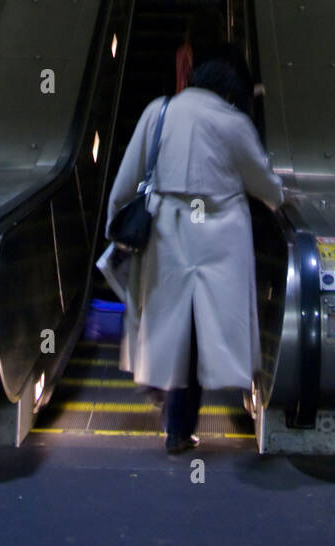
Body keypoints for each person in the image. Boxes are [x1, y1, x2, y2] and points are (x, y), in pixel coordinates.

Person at [106, 60, 283, 454]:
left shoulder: (160, 110)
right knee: (200, 336)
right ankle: (179, 426)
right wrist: (279, 196)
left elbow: (127, 174)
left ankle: (165, 399)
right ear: (231, 92)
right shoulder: (233, 123)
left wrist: (114, 222)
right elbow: (264, 185)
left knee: (166, 325)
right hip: (219, 239)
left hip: (168, 231)